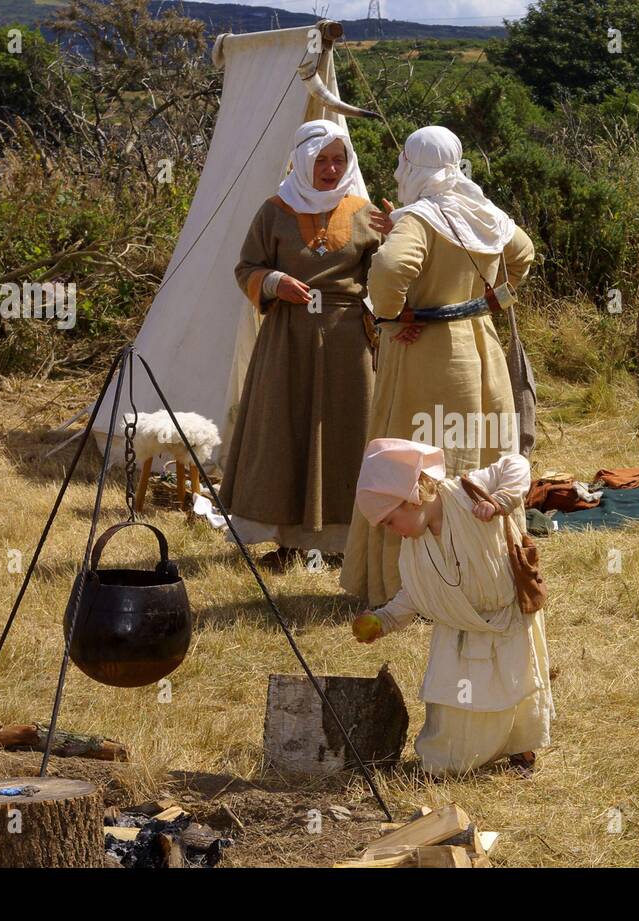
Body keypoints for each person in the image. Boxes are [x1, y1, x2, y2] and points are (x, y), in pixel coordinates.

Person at [341, 126, 536, 604]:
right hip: (481, 351)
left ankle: (412, 585)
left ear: (412, 165)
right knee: (477, 454)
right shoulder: (481, 211)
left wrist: (392, 315)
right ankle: (479, 574)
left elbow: (388, 272)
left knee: (419, 459)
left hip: (426, 354)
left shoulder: (421, 219)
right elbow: (524, 252)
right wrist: (493, 294)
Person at [220, 119, 392, 570]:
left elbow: (387, 272)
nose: (331, 168)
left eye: (339, 159)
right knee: (285, 432)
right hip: (288, 339)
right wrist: (275, 282)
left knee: (346, 433)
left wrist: (396, 234)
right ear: (302, 160)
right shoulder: (274, 211)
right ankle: (288, 541)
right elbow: (246, 268)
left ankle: (342, 543)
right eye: (322, 160)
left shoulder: (365, 211)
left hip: (347, 339)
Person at [349, 438, 553, 776]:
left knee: (513, 688)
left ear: (412, 497)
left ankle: (520, 751)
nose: (392, 531)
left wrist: (500, 500)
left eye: (389, 521)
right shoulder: (416, 547)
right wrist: (382, 620)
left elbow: (516, 463)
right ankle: (452, 759)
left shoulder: (466, 492)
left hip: (506, 616)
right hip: (458, 628)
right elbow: (415, 594)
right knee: (453, 715)